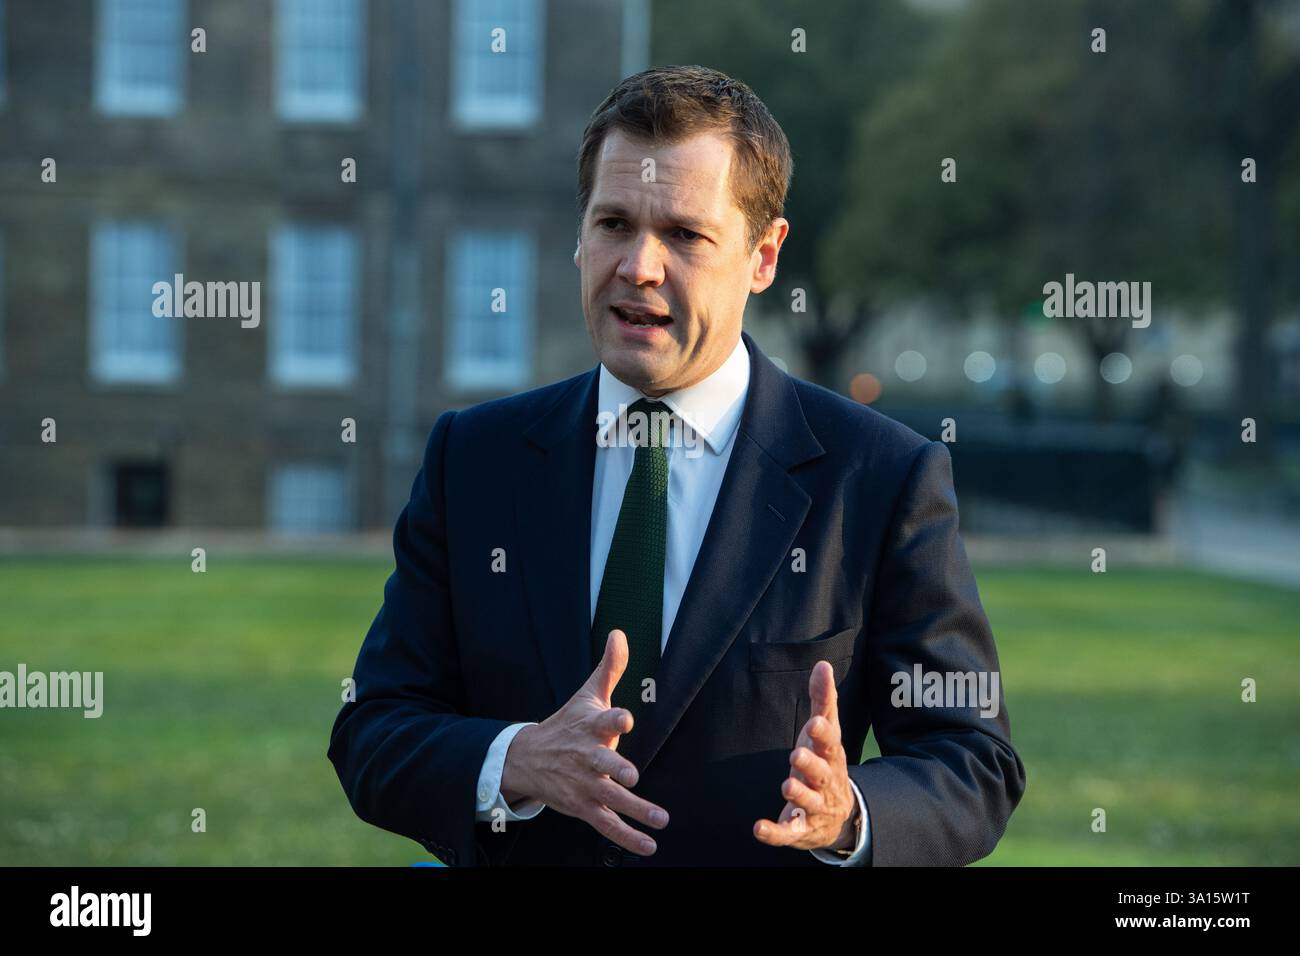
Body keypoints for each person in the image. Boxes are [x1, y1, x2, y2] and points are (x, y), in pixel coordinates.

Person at [328, 65, 1025, 866]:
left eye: (686, 235)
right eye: (615, 224)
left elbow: (974, 763)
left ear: (764, 256)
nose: (639, 266)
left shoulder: (877, 477)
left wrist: (850, 812)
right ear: (579, 234)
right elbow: (375, 728)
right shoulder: (474, 459)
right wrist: (514, 760)